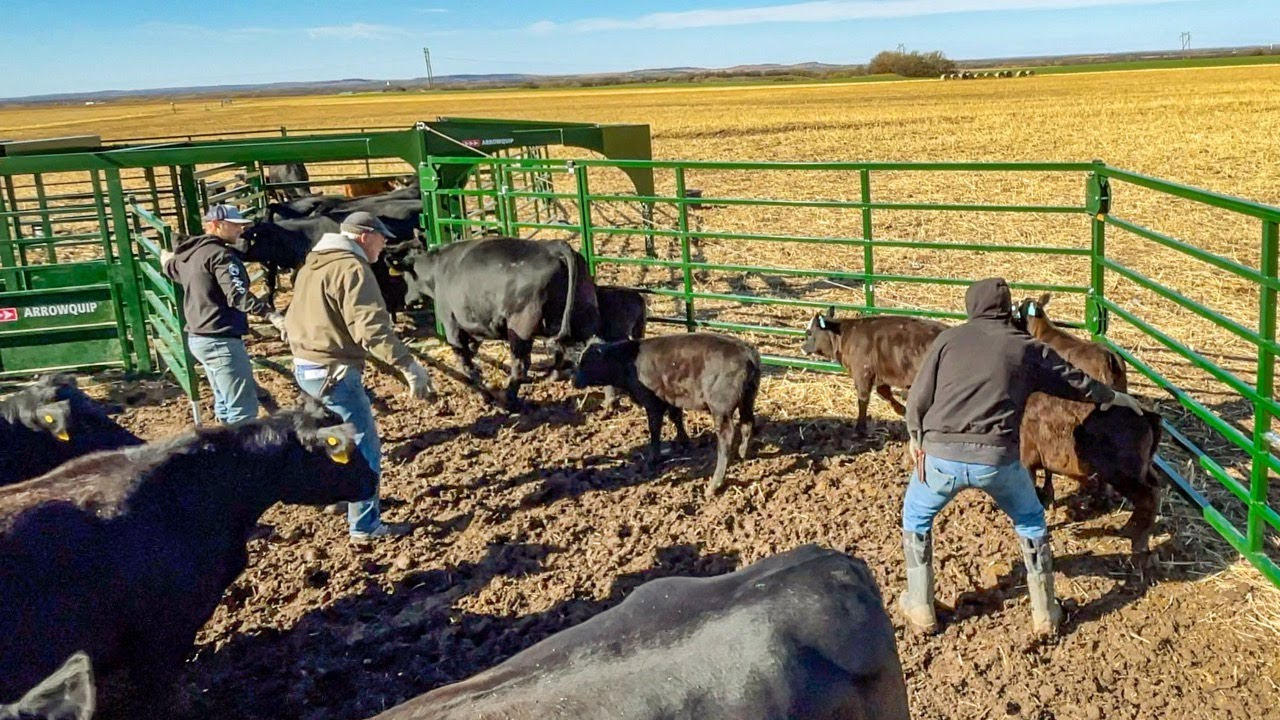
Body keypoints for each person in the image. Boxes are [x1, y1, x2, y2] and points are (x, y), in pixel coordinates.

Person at [901, 277, 1143, 636]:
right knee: (1031, 521)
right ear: (1007, 309)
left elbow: (918, 399)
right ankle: (1045, 613)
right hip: (997, 459)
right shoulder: (1026, 347)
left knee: (916, 516)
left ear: (971, 306)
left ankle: (921, 608)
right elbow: (1075, 382)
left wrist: (916, 438)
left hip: (940, 457)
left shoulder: (948, 340)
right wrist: (1116, 397)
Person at [285, 211, 435, 544]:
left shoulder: (312, 264)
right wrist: (408, 365)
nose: (384, 245)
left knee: (334, 440)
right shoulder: (352, 268)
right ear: (365, 236)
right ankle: (365, 525)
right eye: (382, 239)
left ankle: (340, 495)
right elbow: (372, 329)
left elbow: (295, 314)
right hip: (335, 371)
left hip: (307, 367)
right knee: (364, 446)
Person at [161, 204, 287, 425]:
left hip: (199, 338)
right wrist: (272, 315)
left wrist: (165, 261)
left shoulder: (192, 253)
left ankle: (224, 442)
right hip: (220, 339)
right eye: (235, 225)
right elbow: (238, 296)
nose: (241, 229)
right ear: (216, 225)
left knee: (224, 401)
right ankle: (239, 446)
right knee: (242, 412)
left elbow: (173, 269)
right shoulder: (221, 256)